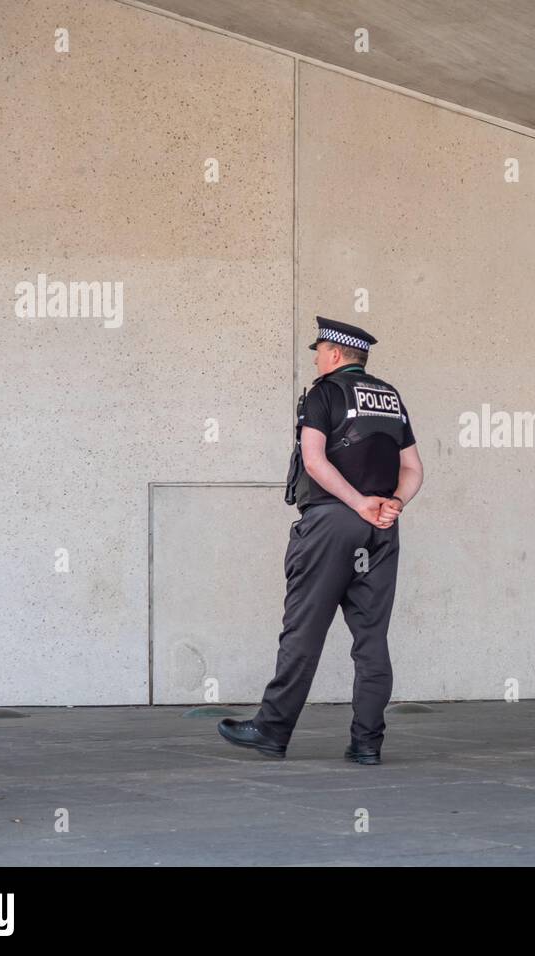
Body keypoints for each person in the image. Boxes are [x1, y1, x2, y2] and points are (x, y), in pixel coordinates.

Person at [218, 316, 424, 764]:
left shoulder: (324, 392)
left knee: (303, 630)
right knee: (371, 639)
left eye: (318, 351)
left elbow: (314, 462)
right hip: (381, 530)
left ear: (333, 354)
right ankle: (367, 744)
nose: (315, 358)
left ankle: (271, 731)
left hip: (332, 524)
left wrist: (357, 502)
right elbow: (413, 469)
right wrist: (391, 504)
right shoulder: (390, 398)